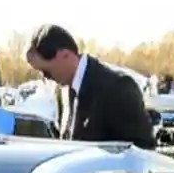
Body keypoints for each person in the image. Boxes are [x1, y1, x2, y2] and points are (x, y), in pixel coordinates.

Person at [24, 24, 154, 149]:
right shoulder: (61, 93)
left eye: (45, 71)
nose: (46, 77)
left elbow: (142, 150)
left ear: (65, 55)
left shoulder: (117, 87)